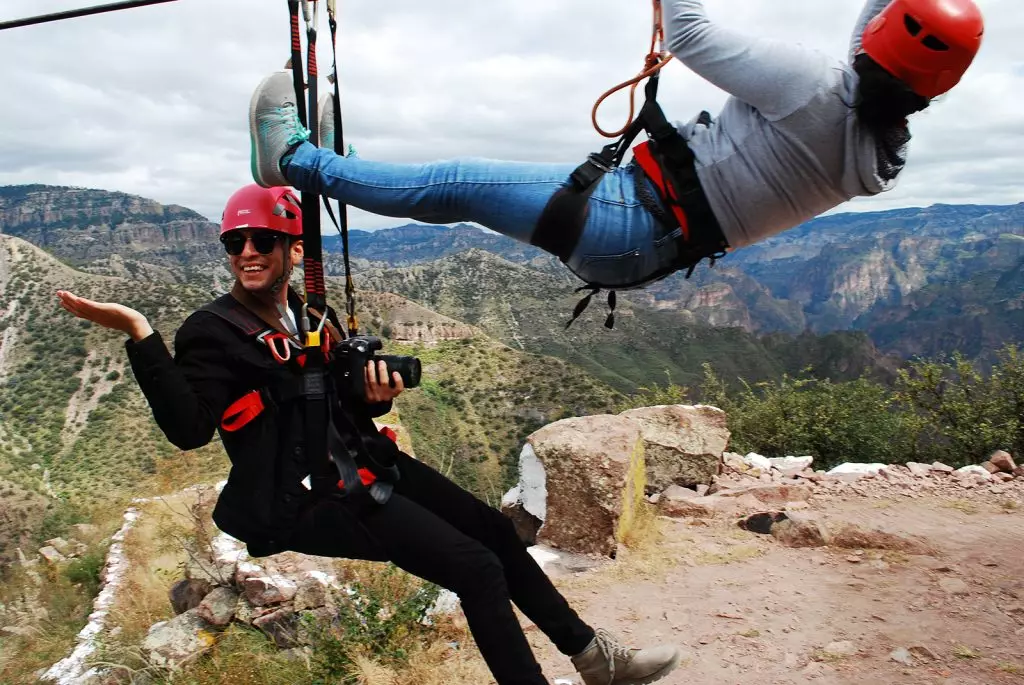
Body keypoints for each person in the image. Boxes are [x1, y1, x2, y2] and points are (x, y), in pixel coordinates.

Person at [55, 183, 683, 685]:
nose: (248, 252)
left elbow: (331, 398)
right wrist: (140, 332)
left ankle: (595, 657)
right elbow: (188, 430)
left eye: (264, 241)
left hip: (357, 461)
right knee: (477, 570)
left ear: (292, 249)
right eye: (236, 241)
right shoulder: (210, 331)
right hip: (302, 496)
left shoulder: (309, 314)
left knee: (495, 531)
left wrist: (371, 393)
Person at [247, 0, 983, 295]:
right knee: (455, 189)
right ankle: (319, 163)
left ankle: (296, 161)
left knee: (449, 183)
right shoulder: (882, 150)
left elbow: (688, 32)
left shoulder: (815, 88)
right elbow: (876, 39)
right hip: (643, 246)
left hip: (624, 215)